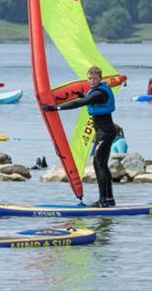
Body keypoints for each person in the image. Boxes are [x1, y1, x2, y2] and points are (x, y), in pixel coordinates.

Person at [42, 65, 117, 208]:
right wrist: (84, 96)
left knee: (98, 163)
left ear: (100, 79)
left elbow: (80, 103)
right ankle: (109, 199)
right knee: (102, 164)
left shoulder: (99, 93)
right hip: (104, 131)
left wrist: (56, 107)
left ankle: (103, 200)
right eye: (89, 78)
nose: (92, 81)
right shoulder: (96, 92)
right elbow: (87, 99)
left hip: (105, 132)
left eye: (94, 79)